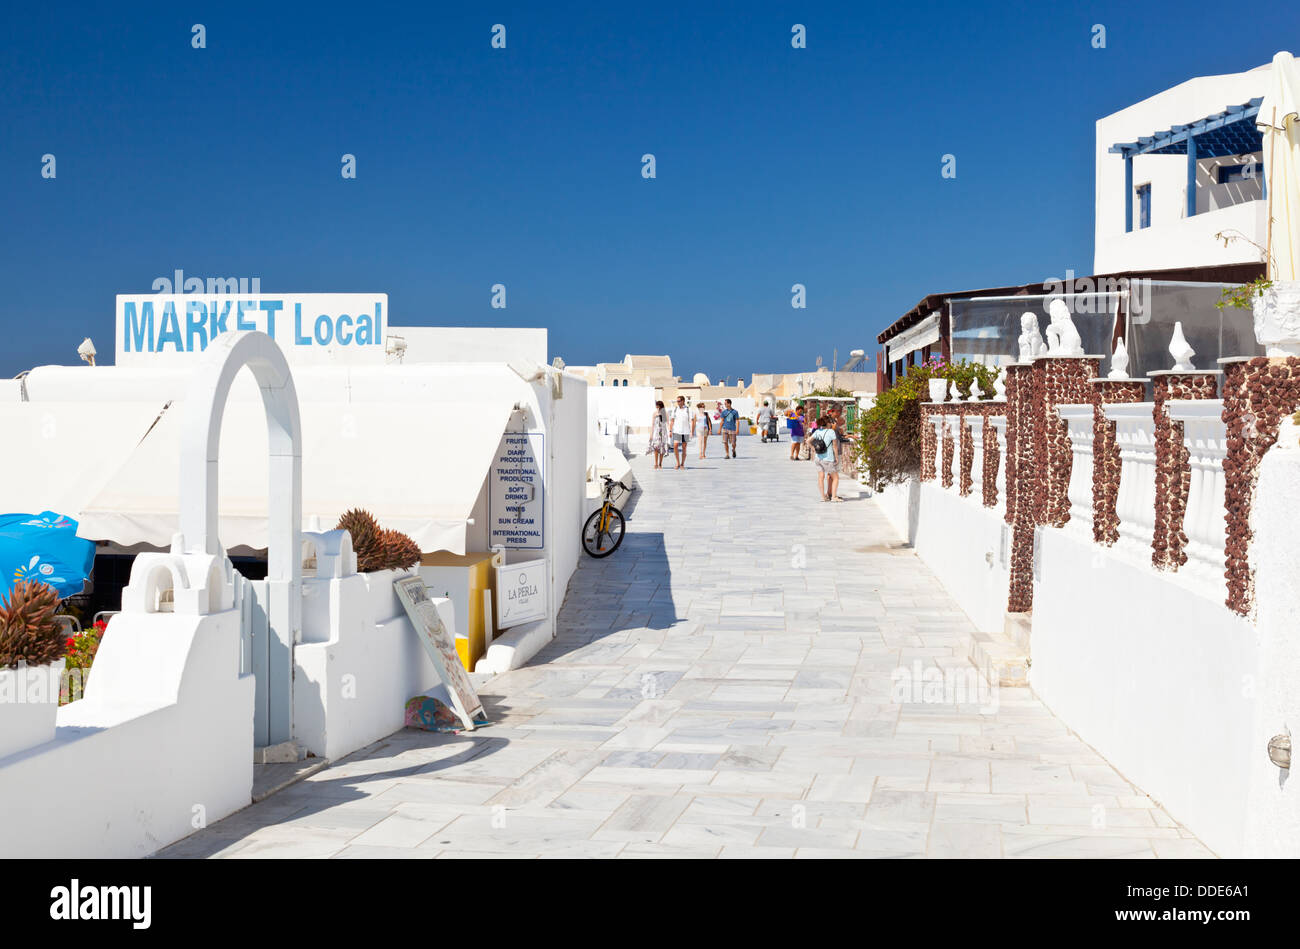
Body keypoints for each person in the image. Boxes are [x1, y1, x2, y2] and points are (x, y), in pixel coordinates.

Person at [811, 415, 840, 501]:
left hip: (818, 458)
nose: (831, 423)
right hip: (828, 459)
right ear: (827, 423)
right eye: (830, 422)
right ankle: (834, 497)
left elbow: (808, 440)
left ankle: (823, 497)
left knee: (821, 477)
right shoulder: (831, 432)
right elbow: (834, 446)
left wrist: (814, 449)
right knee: (836, 478)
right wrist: (836, 457)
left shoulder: (817, 431)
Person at [668, 395, 692, 469]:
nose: (677, 402)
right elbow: (672, 421)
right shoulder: (675, 409)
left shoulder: (688, 410)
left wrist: (691, 431)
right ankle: (678, 463)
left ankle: (682, 464)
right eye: (677, 401)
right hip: (677, 430)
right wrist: (670, 430)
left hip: (686, 431)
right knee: (675, 446)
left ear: (683, 401)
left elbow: (691, 421)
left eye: (679, 401)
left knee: (684, 448)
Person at [649, 401, 668, 469]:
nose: (657, 407)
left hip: (663, 432)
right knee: (656, 447)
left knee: (662, 448)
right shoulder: (654, 413)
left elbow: (666, 422)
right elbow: (653, 424)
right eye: (656, 406)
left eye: (658, 406)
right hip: (656, 432)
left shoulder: (665, 413)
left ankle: (660, 463)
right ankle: (656, 463)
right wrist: (651, 434)